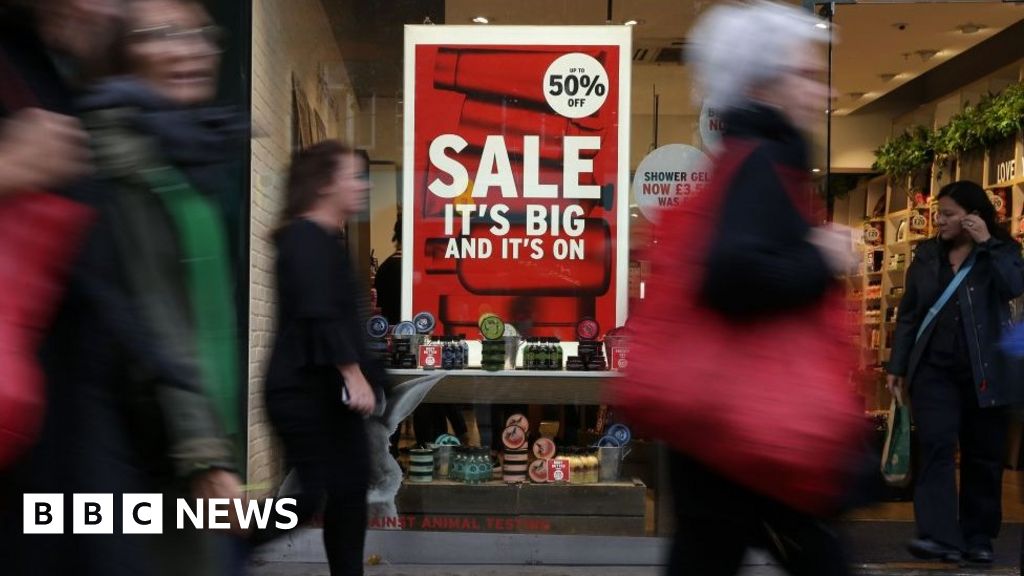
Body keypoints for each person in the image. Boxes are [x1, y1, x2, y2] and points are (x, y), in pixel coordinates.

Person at [633, 3, 861, 575]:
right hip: (753, 432)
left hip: (719, 426)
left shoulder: (746, 159)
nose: (823, 90)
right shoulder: (763, 161)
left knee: (704, 555)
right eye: (807, 75)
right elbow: (731, 274)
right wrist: (821, 255)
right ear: (766, 83)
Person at [73, 0, 248, 573]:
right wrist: (203, 457)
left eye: (202, 36)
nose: (192, 51)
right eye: (163, 35)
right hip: (142, 445)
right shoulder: (123, 153)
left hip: (183, 437)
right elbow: (157, 310)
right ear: (123, 51)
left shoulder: (191, 155)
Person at [260, 140, 387, 576]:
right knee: (307, 498)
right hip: (302, 393)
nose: (361, 186)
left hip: (329, 396)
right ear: (325, 184)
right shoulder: (303, 237)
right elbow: (318, 311)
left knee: (350, 491)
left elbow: (341, 318)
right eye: (353, 176)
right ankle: (224, 546)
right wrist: (354, 375)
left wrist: (372, 376)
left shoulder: (328, 240)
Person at [887, 180, 1024, 564]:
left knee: (983, 455)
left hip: (986, 371)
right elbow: (910, 314)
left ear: (973, 216)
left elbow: (1015, 286)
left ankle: (978, 536)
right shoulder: (927, 255)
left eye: (948, 214)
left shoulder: (1002, 251)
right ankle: (938, 535)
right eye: (938, 213)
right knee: (935, 446)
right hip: (934, 370)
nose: (939, 221)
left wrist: (989, 245)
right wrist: (898, 366)